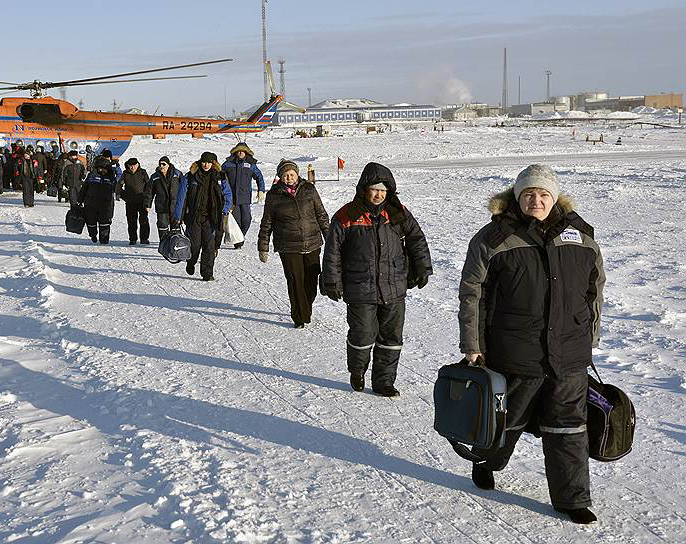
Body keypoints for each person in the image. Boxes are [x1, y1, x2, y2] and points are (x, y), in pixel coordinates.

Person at [458, 164, 605, 525]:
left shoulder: (580, 236)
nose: (535, 200)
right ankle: (486, 462)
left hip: (569, 353)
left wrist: (591, 336)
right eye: (528, 194)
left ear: (554, 198)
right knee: (506, 421)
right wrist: (472, 343)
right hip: (514, 351)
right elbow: (471, 294)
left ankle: (572, 499)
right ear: (517, 197)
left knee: (568, 426)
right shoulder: (494, 239)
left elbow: (594, 289)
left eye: (542, 194)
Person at [321, 162, 432, 396]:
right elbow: (332, 251)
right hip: (360, 287)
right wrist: (331, 280)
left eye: (383, 190)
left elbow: (416, 239)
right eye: (375, 189)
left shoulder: (397, 213)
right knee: (363, 334)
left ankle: (384, 382)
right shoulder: (346, 215)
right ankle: (358, 371)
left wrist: (422, 267)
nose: (379, 194)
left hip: (393, 286)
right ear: (364, 189)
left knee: (391, 337)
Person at [257, 160, 329, 328]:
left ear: (297, 174)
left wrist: (331, 239)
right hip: (288, 246)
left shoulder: (309, 189)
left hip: (312, 243)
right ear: (280, 177)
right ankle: (299, 316)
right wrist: (263, 245)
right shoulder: (274, 195)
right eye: (285, 175)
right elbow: (267, 222)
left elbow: (322, 215)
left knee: (311, 281)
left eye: (291, 174)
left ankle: (305, 307)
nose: (289, 177)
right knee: (295, 281)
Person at [174, 151, 232, 281]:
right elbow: (181, 197)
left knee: (209, 246)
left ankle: (207, 273)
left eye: (209, 162)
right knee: (194, 246)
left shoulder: (220, 177)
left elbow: (227, 194)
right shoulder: (190, 177)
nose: (206, 165)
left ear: (213, 164)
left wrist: (225, 209)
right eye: (204, 162)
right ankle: (191, 262)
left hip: (211, 217)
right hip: (194, 217)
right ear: (200, 163)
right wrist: (178, 216)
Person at [222, 142, 266, 248]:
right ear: (236, 152)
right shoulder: (228, 164)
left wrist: (261, 190)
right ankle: (238, 241)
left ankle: (240, 237)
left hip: (245, 198)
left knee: (247, 219)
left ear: (246, 152)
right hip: (232, 199)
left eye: (243, 151)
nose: (241, 153)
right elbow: (220, 177)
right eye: (239, 151)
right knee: (236, 221)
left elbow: (259, 177)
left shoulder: (251, 165)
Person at [144, 156, 185, 240]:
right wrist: (147, 204)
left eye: (164, 164)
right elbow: (149, 191)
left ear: (168, 165)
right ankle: (164, 243)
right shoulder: (155, 177)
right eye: (160, 164)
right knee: (162, 226)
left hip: (175, 206)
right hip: (162, 206)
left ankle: (176, 243)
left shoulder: (177, 174)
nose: (161, 166)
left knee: (176, 226)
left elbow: (184, 189)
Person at [79, 156, 117, 243]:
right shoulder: (91, 176)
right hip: (90, 204)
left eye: (104, 168)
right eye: (100, 168)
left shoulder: (111, 178)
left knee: (105, 222)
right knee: (91, 222)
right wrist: (80, 200)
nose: (102, 170)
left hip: (106, 205)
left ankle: (104, 239)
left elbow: (117, 188)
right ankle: (93, 235)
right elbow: (84, 189)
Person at [117, 157, 152, 244]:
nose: (132, 167)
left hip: (142, 201)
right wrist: (121, 194)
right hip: (130, 202)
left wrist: (147, 199)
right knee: (131, 222)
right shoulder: (125, 173)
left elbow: (148, 185)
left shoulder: (143, 172)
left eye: (134, 165)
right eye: (130, 166)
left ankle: (144, 239)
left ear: (138, 164)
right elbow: (119, 185)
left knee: (143, 221)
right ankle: (132, 239)